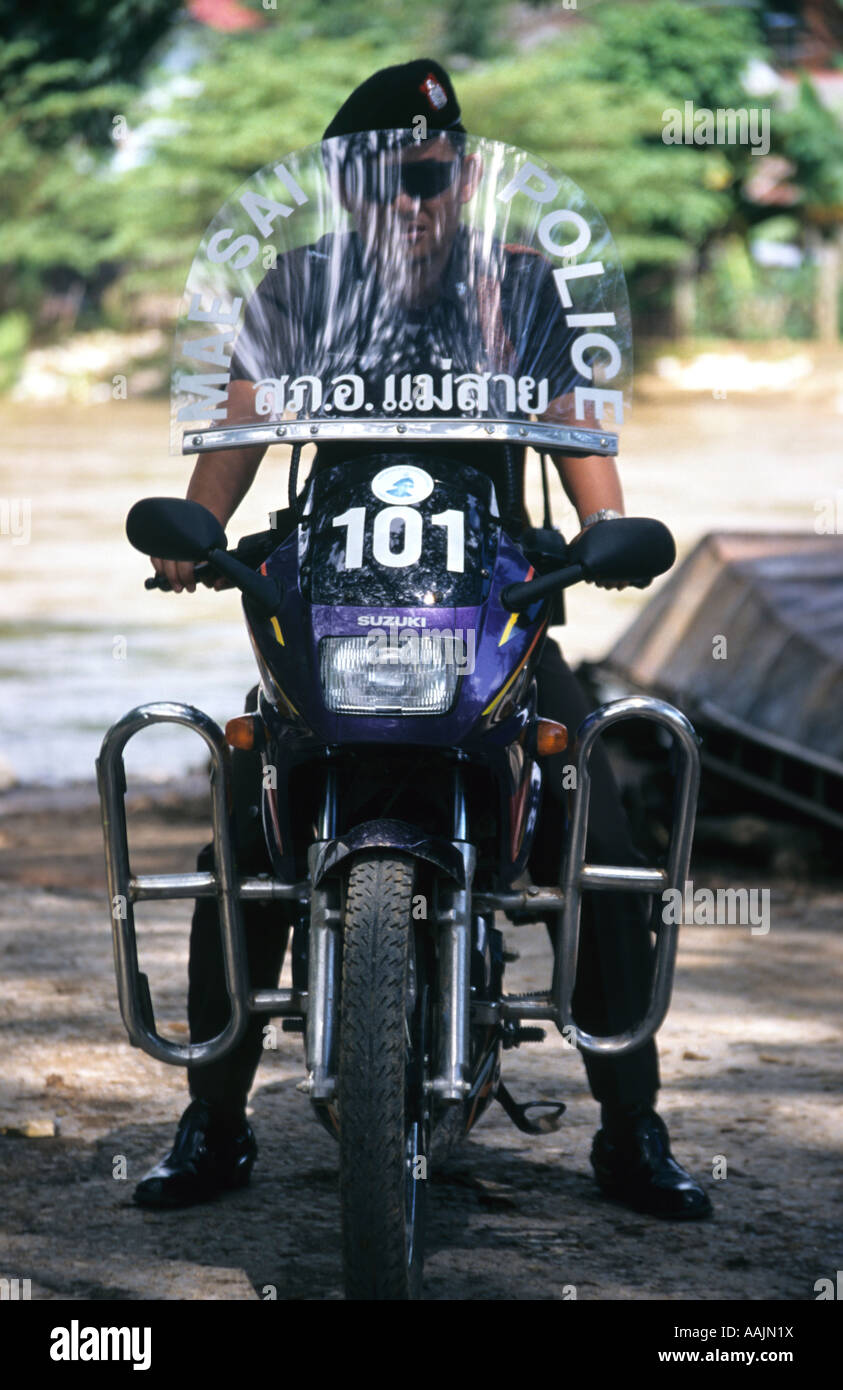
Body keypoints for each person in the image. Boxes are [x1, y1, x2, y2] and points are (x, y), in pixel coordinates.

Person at [135, 59, 711, 1221]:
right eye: (392, 179)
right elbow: (237, 440)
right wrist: (197, 533)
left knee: (597, 785)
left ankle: (630, 1122)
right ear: (348, 187)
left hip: (491, 601)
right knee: (244, 806)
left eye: (437, 176)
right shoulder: (297, 287)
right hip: (336, 602)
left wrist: (608, 535)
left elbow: (583, 452)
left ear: (463, 181)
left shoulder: (522, 287)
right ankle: (214, 1117)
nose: (416, 200)